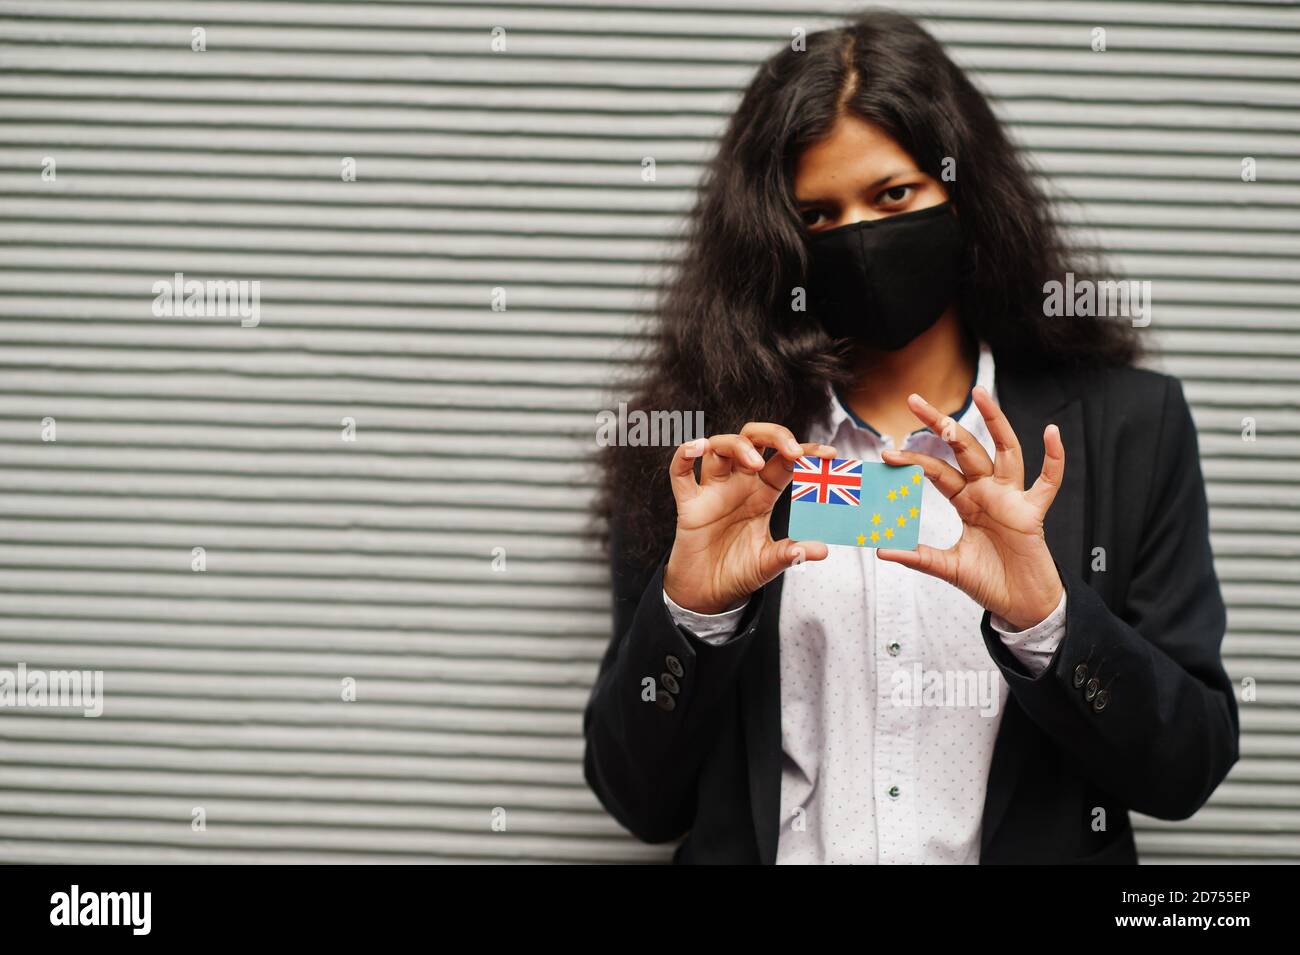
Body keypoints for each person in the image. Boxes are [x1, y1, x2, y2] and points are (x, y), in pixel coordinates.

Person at [584, 10, 1238, 864]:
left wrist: (1048, 621)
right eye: (817, 215)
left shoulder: (1129, 428)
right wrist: (692, 616)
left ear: (964, 194)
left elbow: (1184, 769)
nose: (859, 239)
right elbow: (639, 799)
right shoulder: (714, 453)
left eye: (894, 196)